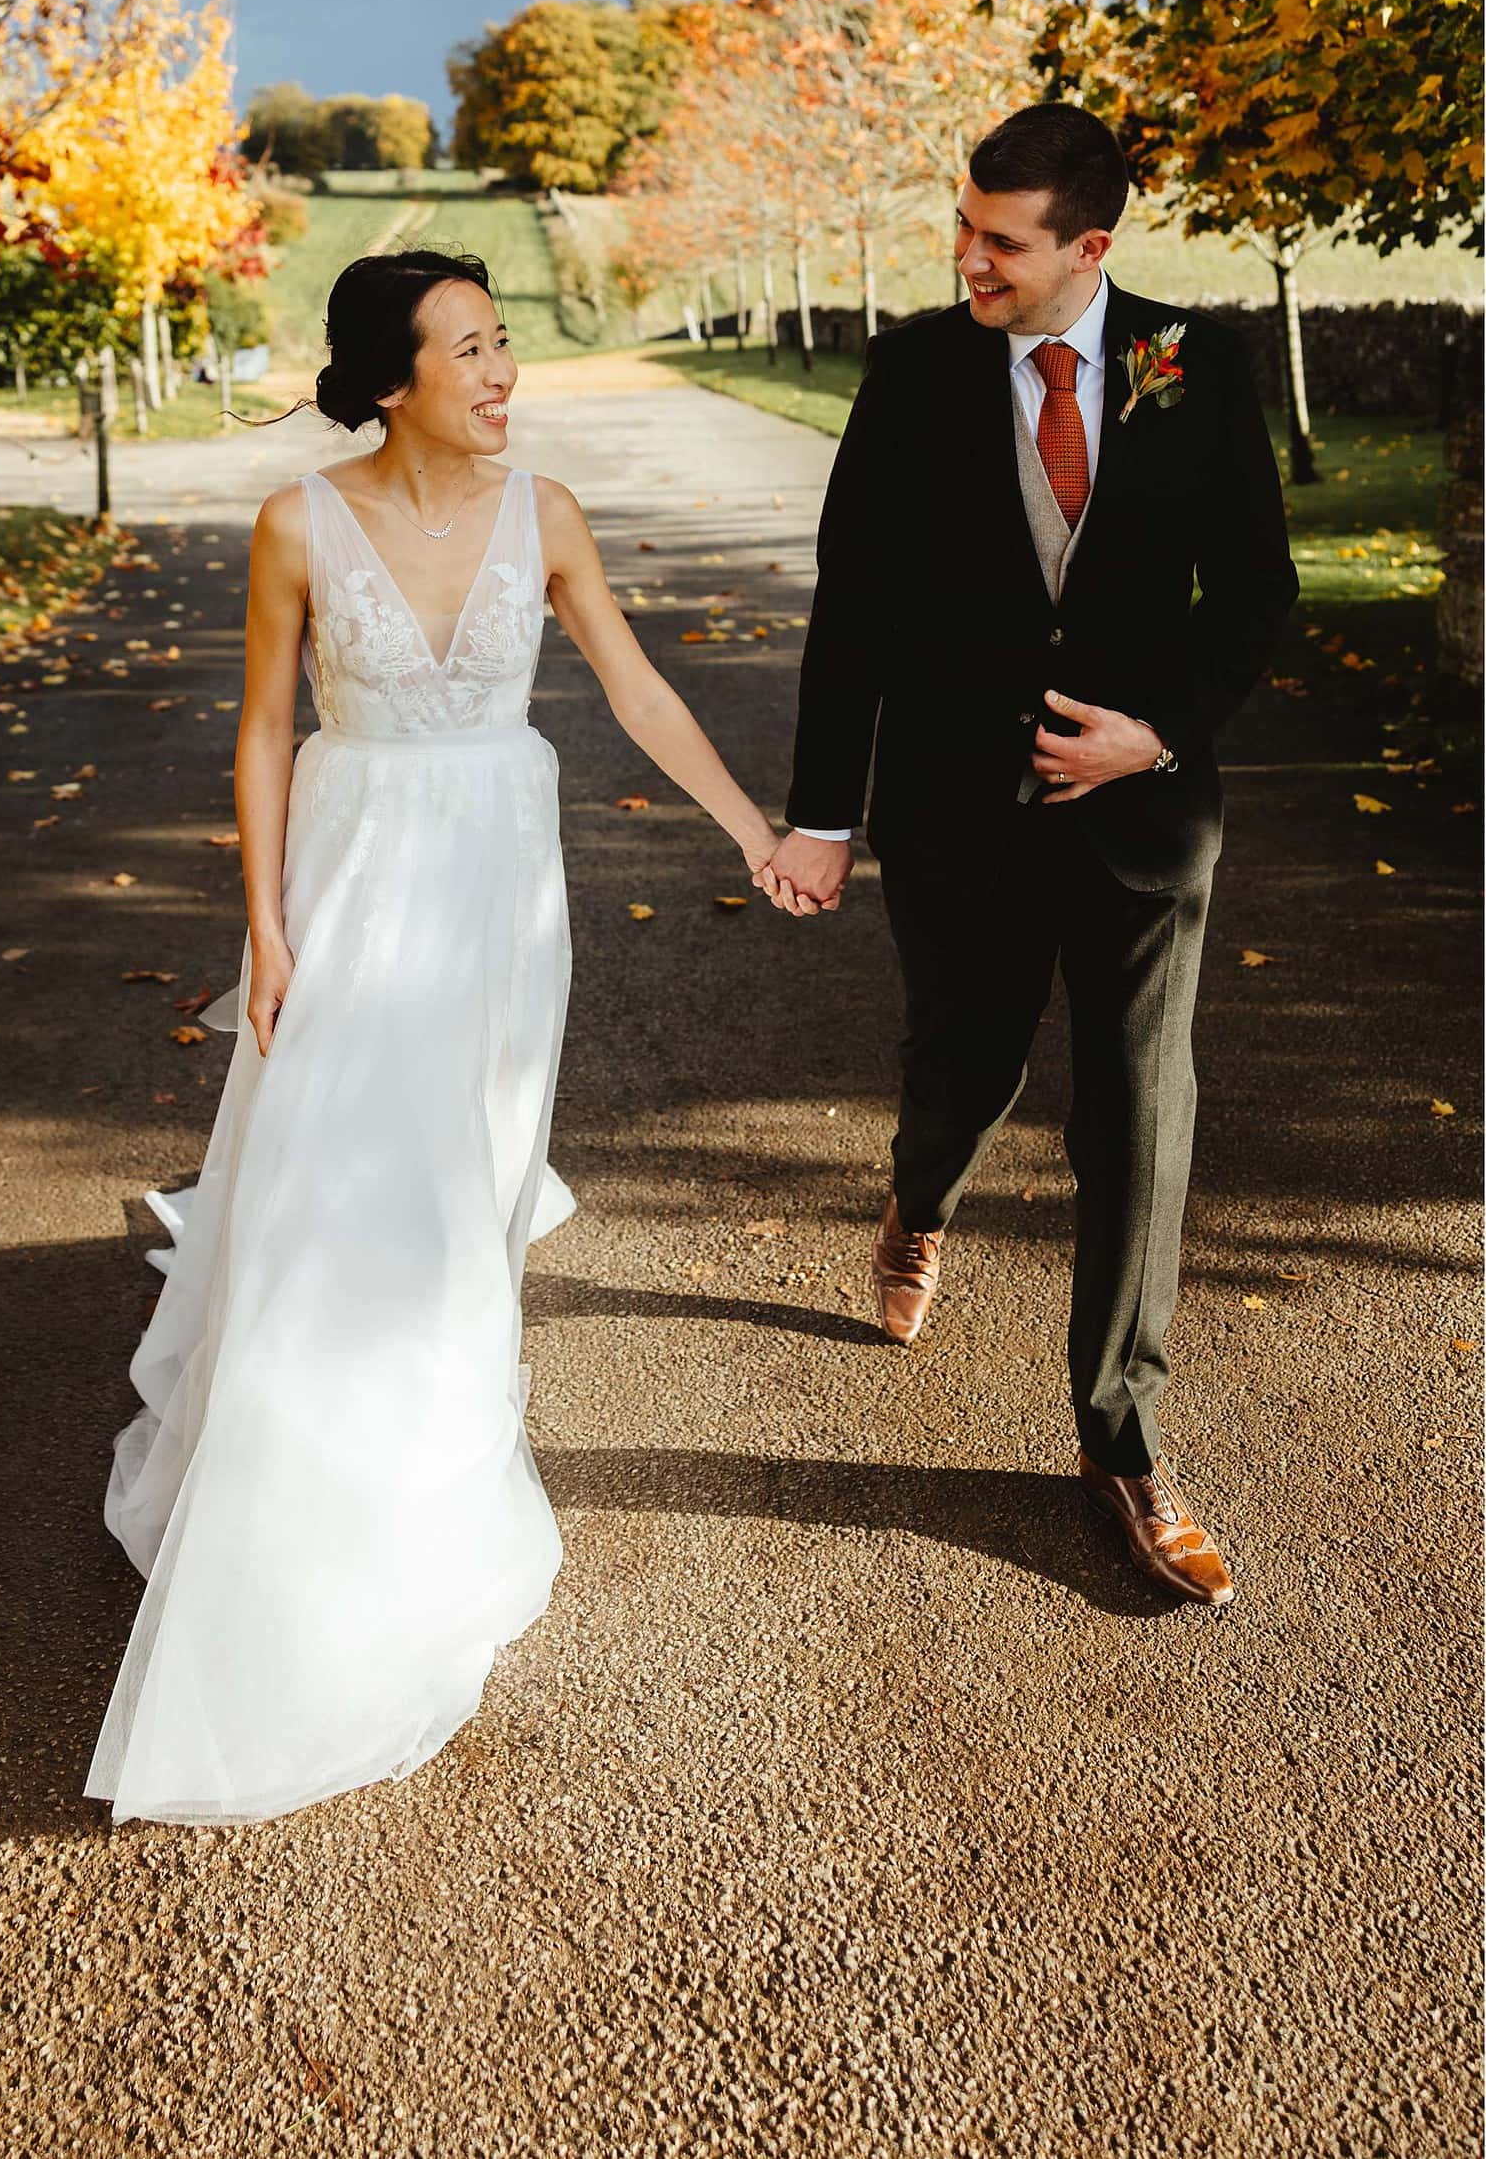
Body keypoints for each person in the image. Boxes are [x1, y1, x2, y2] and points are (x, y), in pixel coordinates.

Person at [85, 248, 783, 1825]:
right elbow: (266, 728)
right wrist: (265, 926)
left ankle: (433, 1480)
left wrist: (754, 829)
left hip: (498, 902)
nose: (501, 371)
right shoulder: (294, 524)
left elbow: (640, 690)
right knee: (334, 1196)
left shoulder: (545, 516)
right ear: (389, 379)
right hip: (350, 882)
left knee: (460, 1201)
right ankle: (296, 1547)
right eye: (468, 348)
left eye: (504, 339)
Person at [759, 104, 1300, 1608]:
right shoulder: (913, 369)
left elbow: (1258, 587)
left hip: (1143, 825)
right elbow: (852, 606)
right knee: (965, 1071)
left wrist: (1160, 735)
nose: (970, 261)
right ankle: (919, 1198)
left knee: (1139, 1112)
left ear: (1091, 249)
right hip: (953, 815)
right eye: (965, 229)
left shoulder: (1197, 363)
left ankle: (1121, 1438)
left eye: (1004, 242)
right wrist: (820, 812)